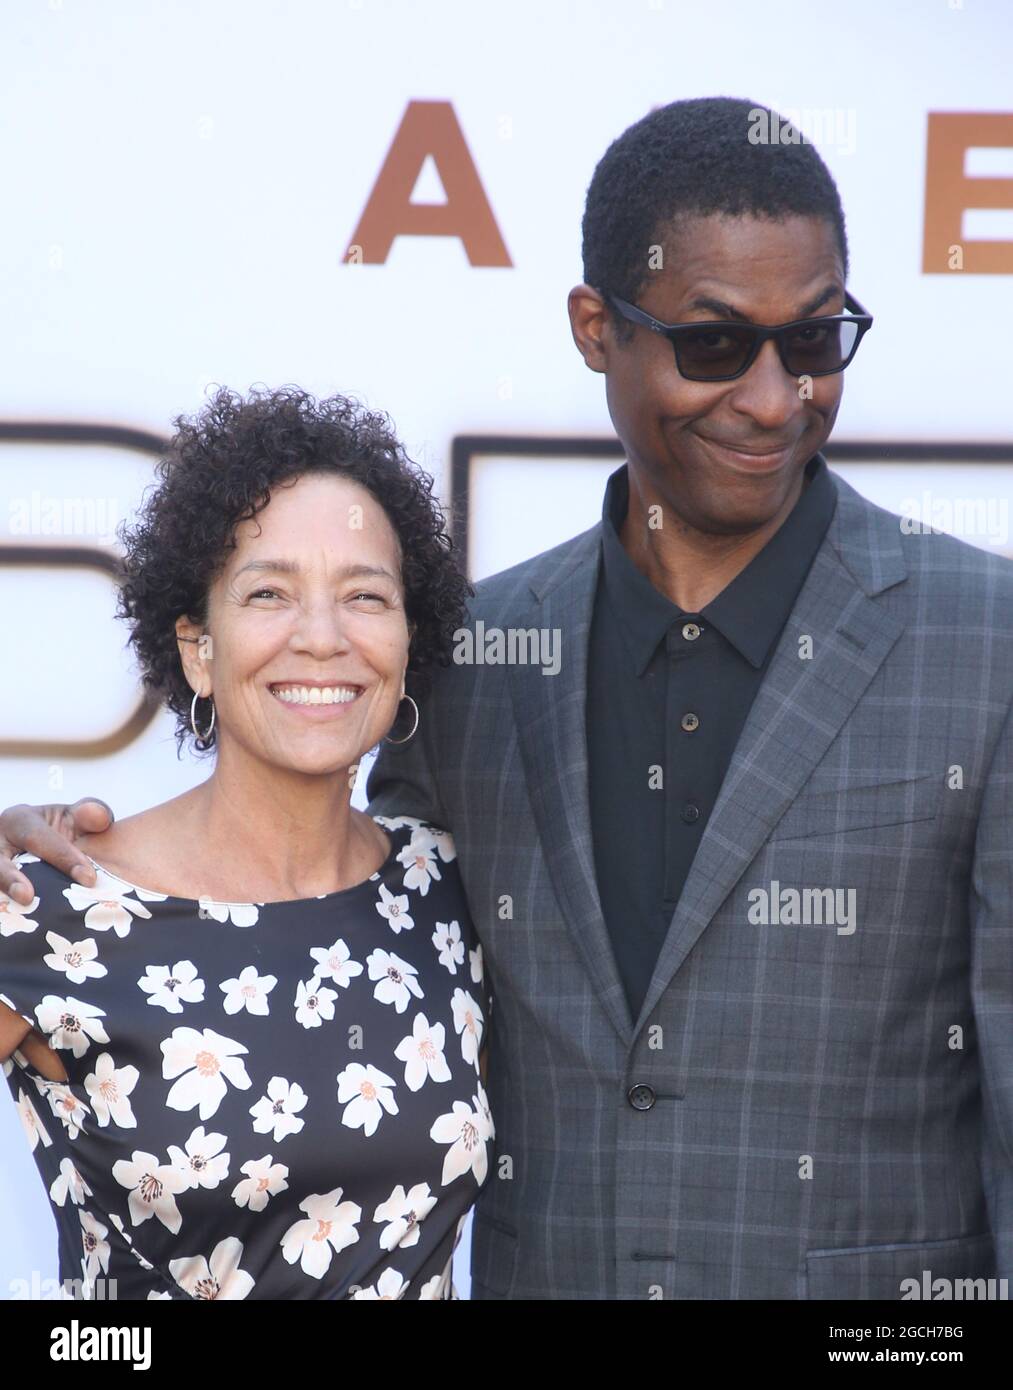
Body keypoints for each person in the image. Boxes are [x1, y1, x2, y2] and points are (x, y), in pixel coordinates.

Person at [4, 96, 1011, 1300]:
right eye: (710, 344)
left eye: (812, 341)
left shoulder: (983, 641)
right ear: (595, 329)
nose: (770, 395)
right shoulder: (475, 665)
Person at [0, 386, 492, 1300]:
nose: (321, 638)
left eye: (365, 597)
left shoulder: (446, 892)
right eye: (268, 593)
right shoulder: (52, 909)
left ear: (406, 638)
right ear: (198, 648)